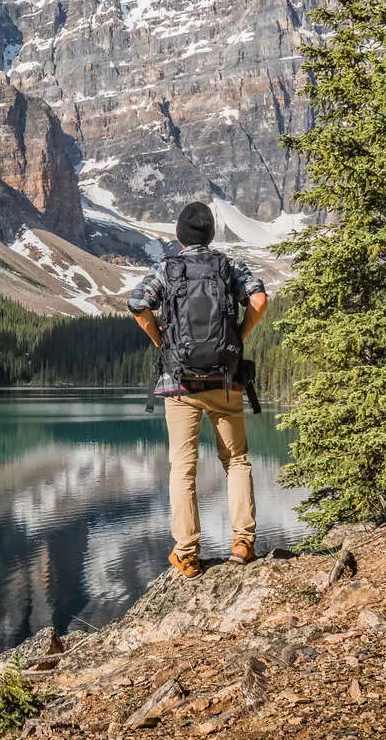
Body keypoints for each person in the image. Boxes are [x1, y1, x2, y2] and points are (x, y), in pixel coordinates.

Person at [127, 201, 269, 579]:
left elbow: (137, 303)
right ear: (211, 235)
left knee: (183, 469)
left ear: (179, 235)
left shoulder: (167, 269)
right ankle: (243, 543)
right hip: (225, 380)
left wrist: (161, 342)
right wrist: (239, 336)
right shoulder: (228, 266)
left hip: (180, 383)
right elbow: (258, 299)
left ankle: (187, 553)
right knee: (236, 461)